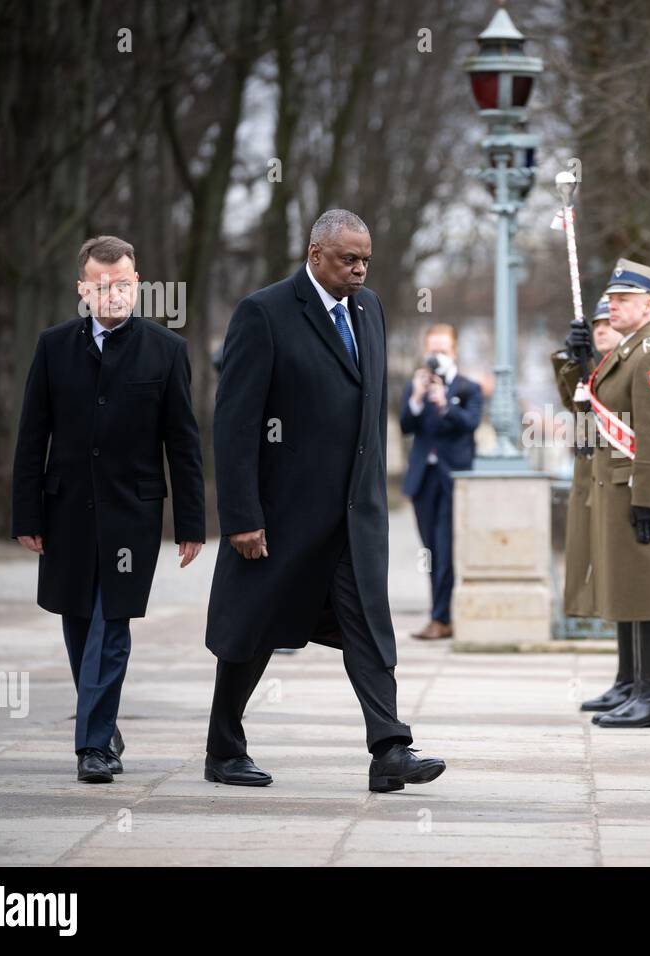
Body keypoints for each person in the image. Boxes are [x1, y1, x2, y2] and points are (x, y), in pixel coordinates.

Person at [203, 209, 445, 793]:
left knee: (369, 629)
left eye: (365, 259)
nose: (360, 269)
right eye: (348, 259)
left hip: (355, 518)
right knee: (253, 630)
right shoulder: (264, 314)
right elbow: (234, 425)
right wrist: (241, 515)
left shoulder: (371, 309)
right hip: (282, 518)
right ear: (315, 254)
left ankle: (390, 748)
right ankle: (223, 748)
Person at [11, 235, 205, 784]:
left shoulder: (167, 351)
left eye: (122, 284)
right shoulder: (53, 347)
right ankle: (105, 724)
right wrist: (25, 515)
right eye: (102, 285)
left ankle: (93, 746)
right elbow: (32, 436)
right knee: (77, 622)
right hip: (66, 510)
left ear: (137, 285)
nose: (113, 294)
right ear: (83, 289)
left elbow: (184, 444)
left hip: (132, 516)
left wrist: (190, 524)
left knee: (110, 624)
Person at [570, 259, 650, 729]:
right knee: (633, 593)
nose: (613, 306)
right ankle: (635, 687)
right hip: (623, 489)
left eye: (622, 300)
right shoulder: (630, 351)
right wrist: (574, 359)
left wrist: (647, 500)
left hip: (643, 491)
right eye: (612, 299)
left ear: (648, 305)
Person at [553, 297, 631, 710]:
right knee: (608, 580)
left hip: (620, 478)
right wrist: (572, 358)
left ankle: (638, 683)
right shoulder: (600, 371)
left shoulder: (630, 366)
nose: (600, 329)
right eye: (595, 324)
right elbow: (577, 407)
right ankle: (626, 679)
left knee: (626, 584)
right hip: (595, 477)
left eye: (608, 322)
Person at [399, 324, 483, 641]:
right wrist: (419, 398)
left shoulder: (468, 387)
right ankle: (440, 615)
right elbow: (406, 425)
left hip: (454, 478)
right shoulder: (416, 384)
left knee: (446, 547)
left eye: (443, 350)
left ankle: (441, 618)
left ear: (455, 351)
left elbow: (470, 424)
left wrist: (445, 404)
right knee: (431, 550)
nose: (437, 356)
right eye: (432, 350)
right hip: (424, 478)